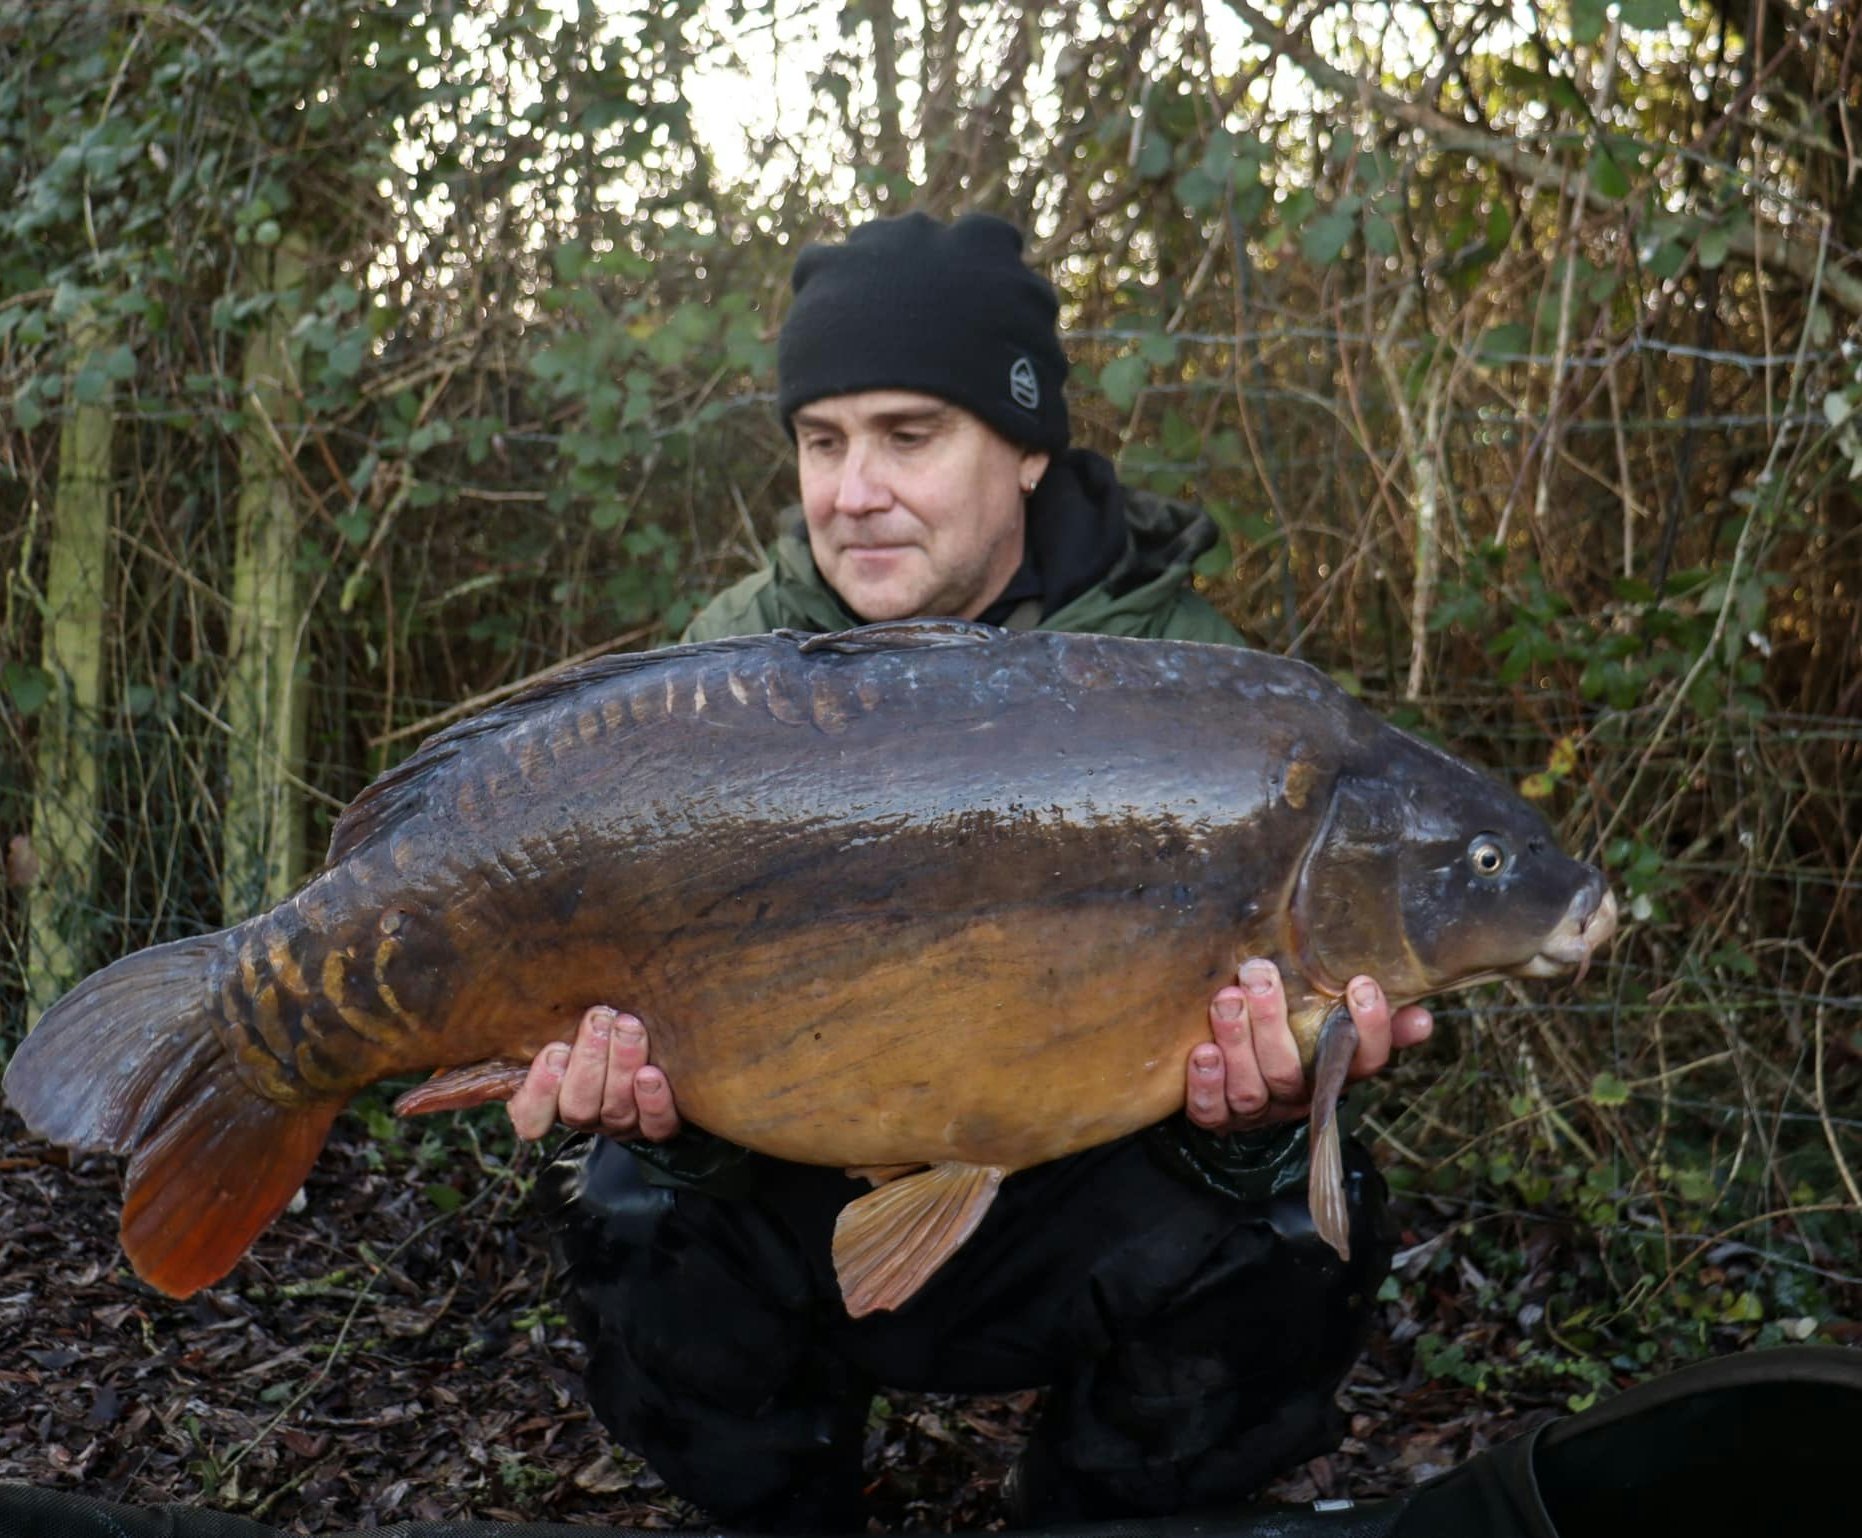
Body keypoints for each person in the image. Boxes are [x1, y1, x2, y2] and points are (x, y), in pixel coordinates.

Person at [505, 213, 1430, 1530]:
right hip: (797, 1163)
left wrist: (1254, 1131)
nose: (853, 491)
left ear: (1028, 445)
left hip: (1078, 1191)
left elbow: (1253, 1039)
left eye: (908, 435)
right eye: (822, 441)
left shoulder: (1190, 684)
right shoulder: (729, 666)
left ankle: (1096, 1510)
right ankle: (790, 1507)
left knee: (1298, 1224)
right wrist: (661, 1116)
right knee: (627, 1205)